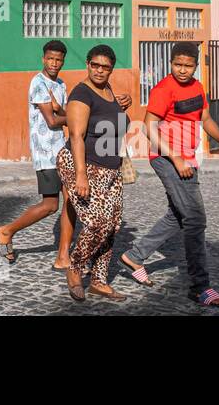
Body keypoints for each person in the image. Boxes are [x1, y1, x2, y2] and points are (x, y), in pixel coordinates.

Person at [119, 41, 219, 308]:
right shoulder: (163, 89)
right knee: (195, 219)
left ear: (195, 66)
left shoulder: (198, 88)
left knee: (178, 216)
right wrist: (176, 157)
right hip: (166, 158)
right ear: (170, 63)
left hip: (187, 159)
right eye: (177, 64)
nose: (182, 70)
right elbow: (149, 128)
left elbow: (205, 119)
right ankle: (200, 287)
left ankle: (135, 256)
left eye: (188, 65)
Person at [0, 40, 75, 269]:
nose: (54, 63)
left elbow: (64, 113)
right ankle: (5, 231)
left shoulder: (61, 84)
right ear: (43, 59)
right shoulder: (38, 83)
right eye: (50, 58)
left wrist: (62, 111)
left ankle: (63, 255)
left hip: (63, 152)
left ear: (63, 61)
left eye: (58, 59)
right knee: (50, 205)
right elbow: (54, 120)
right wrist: (68, 114)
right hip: (46, 153)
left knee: (71, 201)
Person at [56, 44, 129, 302]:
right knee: (96, 222)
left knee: (111, 226)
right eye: (95, 65)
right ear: (87, 64)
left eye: (105, 66)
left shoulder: (108, 90)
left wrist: (123, 106)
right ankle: (75, 268)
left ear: (111, 69)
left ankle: (99, 280)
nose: (99, 70)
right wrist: (80, 175)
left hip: (110, 168)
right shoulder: (81, 93)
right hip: (83, 165)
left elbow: (109, 124)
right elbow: (76, 135)